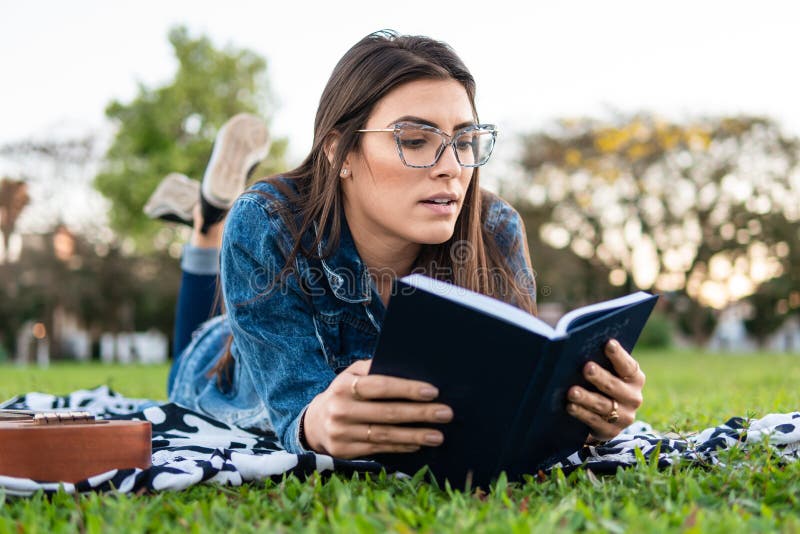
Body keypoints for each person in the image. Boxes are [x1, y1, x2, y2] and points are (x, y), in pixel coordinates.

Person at [150, 30, 646, 462]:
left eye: (465, 139)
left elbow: (507, 395)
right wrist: (317, 422)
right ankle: (208, 221)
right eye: (414, 140)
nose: (452, 166)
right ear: (337, 149)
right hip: (229, 367)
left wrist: (582, 410)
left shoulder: (495, 228)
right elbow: (294, 406)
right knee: (188, 358)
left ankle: (204, 211)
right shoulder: (266, 222)